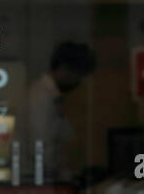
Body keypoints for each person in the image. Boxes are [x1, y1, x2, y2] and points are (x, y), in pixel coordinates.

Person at [25, 41, 96, 185]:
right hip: (38, 181)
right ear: (64, 69)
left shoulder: (51, 97)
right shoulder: (40, 98)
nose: (78, 82)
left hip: (46, 178)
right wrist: (64, 176)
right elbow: (40, 147)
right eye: (78, 75)